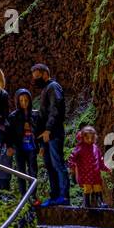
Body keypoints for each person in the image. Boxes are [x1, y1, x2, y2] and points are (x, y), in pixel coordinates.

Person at [31, 62, 69, 206]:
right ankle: (54, 196)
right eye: (34, 77)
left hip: (54, 132)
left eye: (37, 76)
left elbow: (56, 108)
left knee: (57, 163)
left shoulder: (53, 87)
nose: (35, 80)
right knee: (50, 165)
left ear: (45, 73)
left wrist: (48, 129)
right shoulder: (46, 89)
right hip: (46, 135)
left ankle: (64, 196)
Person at [68, 126, 109, 208]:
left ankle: (100, 202)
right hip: (85, 173)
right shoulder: (80, 148)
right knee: (88, 188)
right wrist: (71, 166)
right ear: (83, 137)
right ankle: (86, 204)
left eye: (92, 138)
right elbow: (72, 157)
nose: (90, 140)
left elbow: (100, 161)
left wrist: (106, 168)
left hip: (95, 173)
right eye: (87, 138)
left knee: (98, 187)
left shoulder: (95, 148)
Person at [6, 88, 39, 185]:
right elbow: (9, 133)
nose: (24, 103)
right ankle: (23, 194)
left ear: (30, 100)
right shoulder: (13, 116)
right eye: (21, 100)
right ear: (18, 101)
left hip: (32, 145)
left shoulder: (35, 114)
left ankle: (33, 193)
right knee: (21, 170)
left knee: (33, 168)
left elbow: (40, 129)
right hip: (19, 146)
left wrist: (42, 146)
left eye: (26, 100)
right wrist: (9, 146)